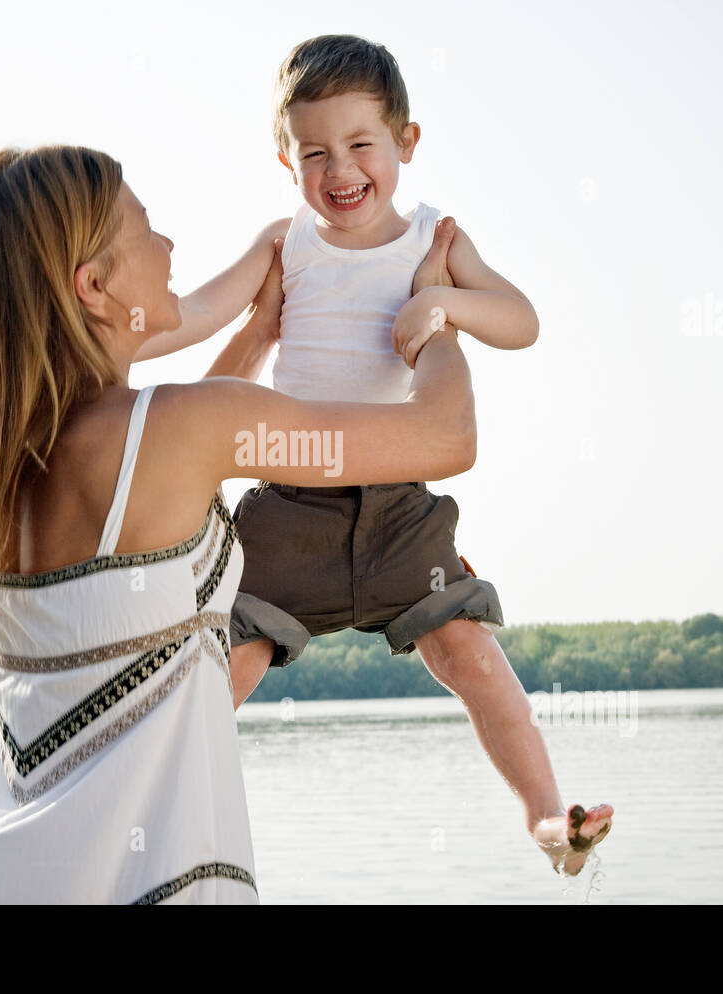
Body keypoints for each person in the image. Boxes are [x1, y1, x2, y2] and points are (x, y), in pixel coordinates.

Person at [0, 144, 478, 903]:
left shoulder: (10, 454)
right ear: (94, 286)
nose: (168, 247)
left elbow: (165, 460)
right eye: (147, 229)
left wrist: (261, 333)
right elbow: (444, 436)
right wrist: (434, 312)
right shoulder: (180, 430)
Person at [135, 34, 612, 875]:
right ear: (286, 161)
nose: (339, 169)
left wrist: (442, 301)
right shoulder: (284, 246)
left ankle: (548, 820)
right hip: (290, 509)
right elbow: (190, 315)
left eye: (362, 145)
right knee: (226, 666)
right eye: (314, 151)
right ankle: (143, 818)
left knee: (469, 654)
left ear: (406, 144)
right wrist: (92, 334)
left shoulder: (435, 239)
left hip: (400, 511)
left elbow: (524, 321)